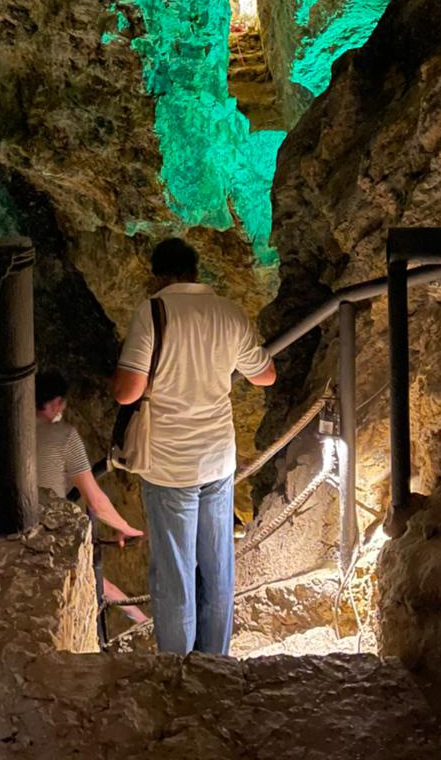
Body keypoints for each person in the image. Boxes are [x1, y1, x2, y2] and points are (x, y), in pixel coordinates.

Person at [112, 238, 276, 655]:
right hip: (218, 459)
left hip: (170, 465)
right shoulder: (228, 312)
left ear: (157, 274)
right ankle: (215, 662)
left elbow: (126, 392)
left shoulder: (154, 313)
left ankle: (177, 671)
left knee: (175, 574)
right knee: (218, 567)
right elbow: (266, 376)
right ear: (195, 271)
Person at [35, 369, 148, 624]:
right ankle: (145, 626)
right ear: (55, 403)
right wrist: (126, 528)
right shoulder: (64, 435)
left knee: (102, 582)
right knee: (95, 577)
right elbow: (95, 501)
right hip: (47, 534)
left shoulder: (9, 432)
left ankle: (141, 620)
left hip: (13, 523)